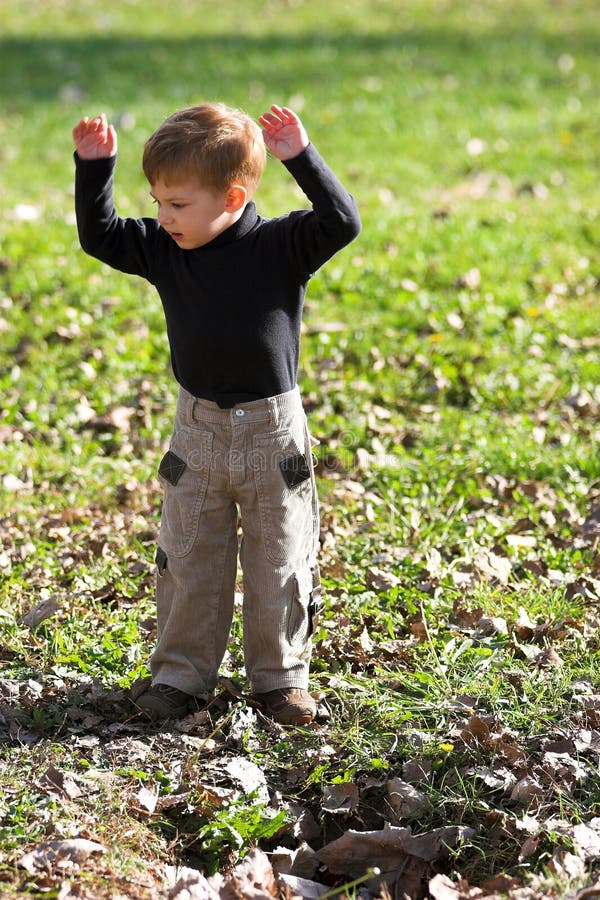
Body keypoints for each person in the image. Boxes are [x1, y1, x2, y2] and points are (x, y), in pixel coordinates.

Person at [72, 102, 361, 725]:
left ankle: (279, 678)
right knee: (188, 553)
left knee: (278, 556)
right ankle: (180, 676)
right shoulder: (163, 249)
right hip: (197, 429)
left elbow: (342, 221)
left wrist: (299, 157)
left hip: (271, 431)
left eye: (177, 205)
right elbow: (98, 235)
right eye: (156, 201)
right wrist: (95, 168)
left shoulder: (282, 245)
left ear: (233, 196)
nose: (162, 216)